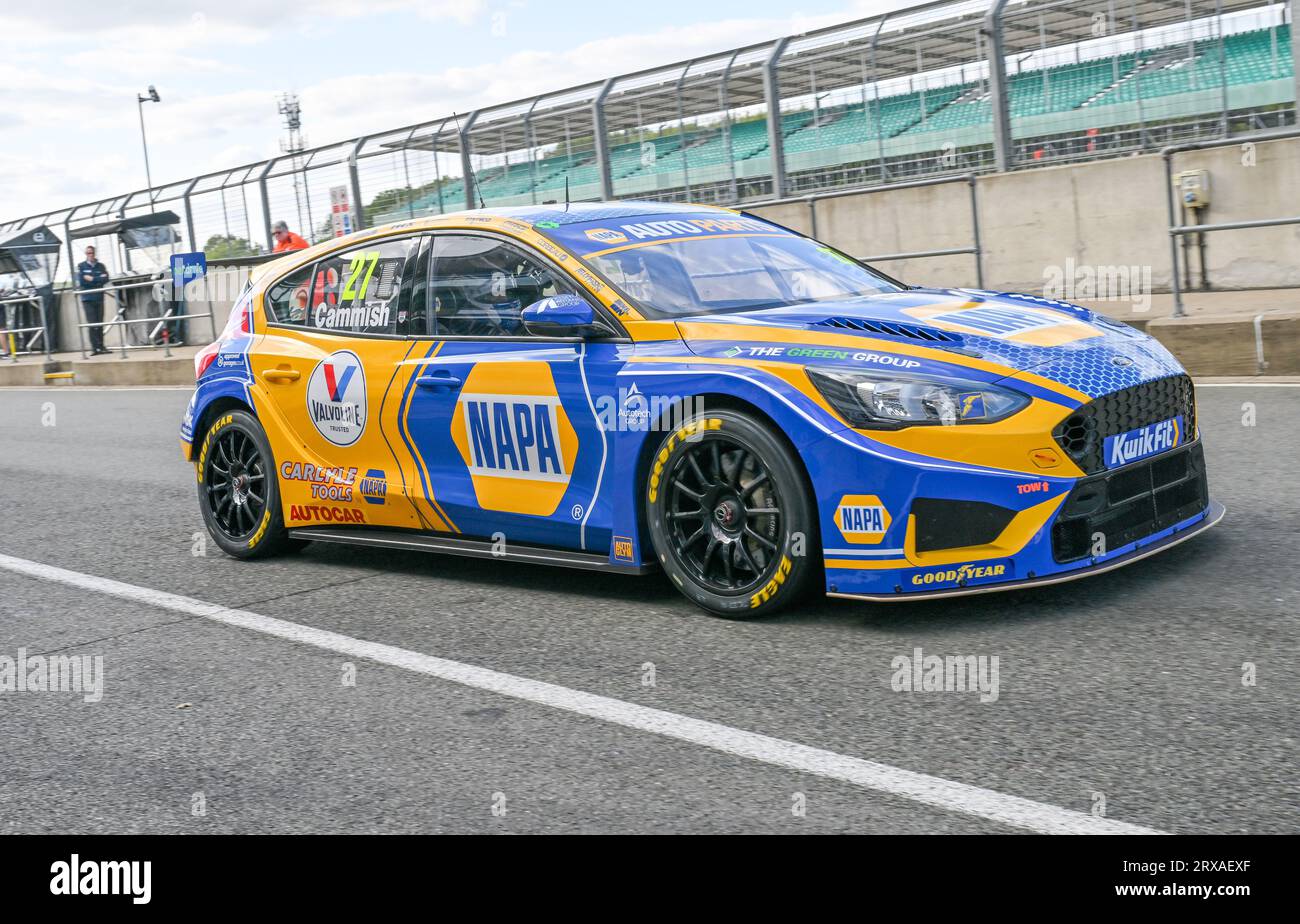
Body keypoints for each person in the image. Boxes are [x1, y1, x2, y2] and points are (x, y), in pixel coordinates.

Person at [76, 245, 111, 355]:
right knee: (92, 324)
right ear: (86, 254)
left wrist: (92, 279)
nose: (90, 255)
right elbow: (82, 282)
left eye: (91, 253)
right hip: (87, 299)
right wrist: (98, 279)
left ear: (94, 253)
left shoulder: (100, 266)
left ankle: (101, 346)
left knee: (100, 323)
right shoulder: (81, 266)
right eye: (88, 253)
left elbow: (106, 279)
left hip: (99, 297)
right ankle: (94, 348)